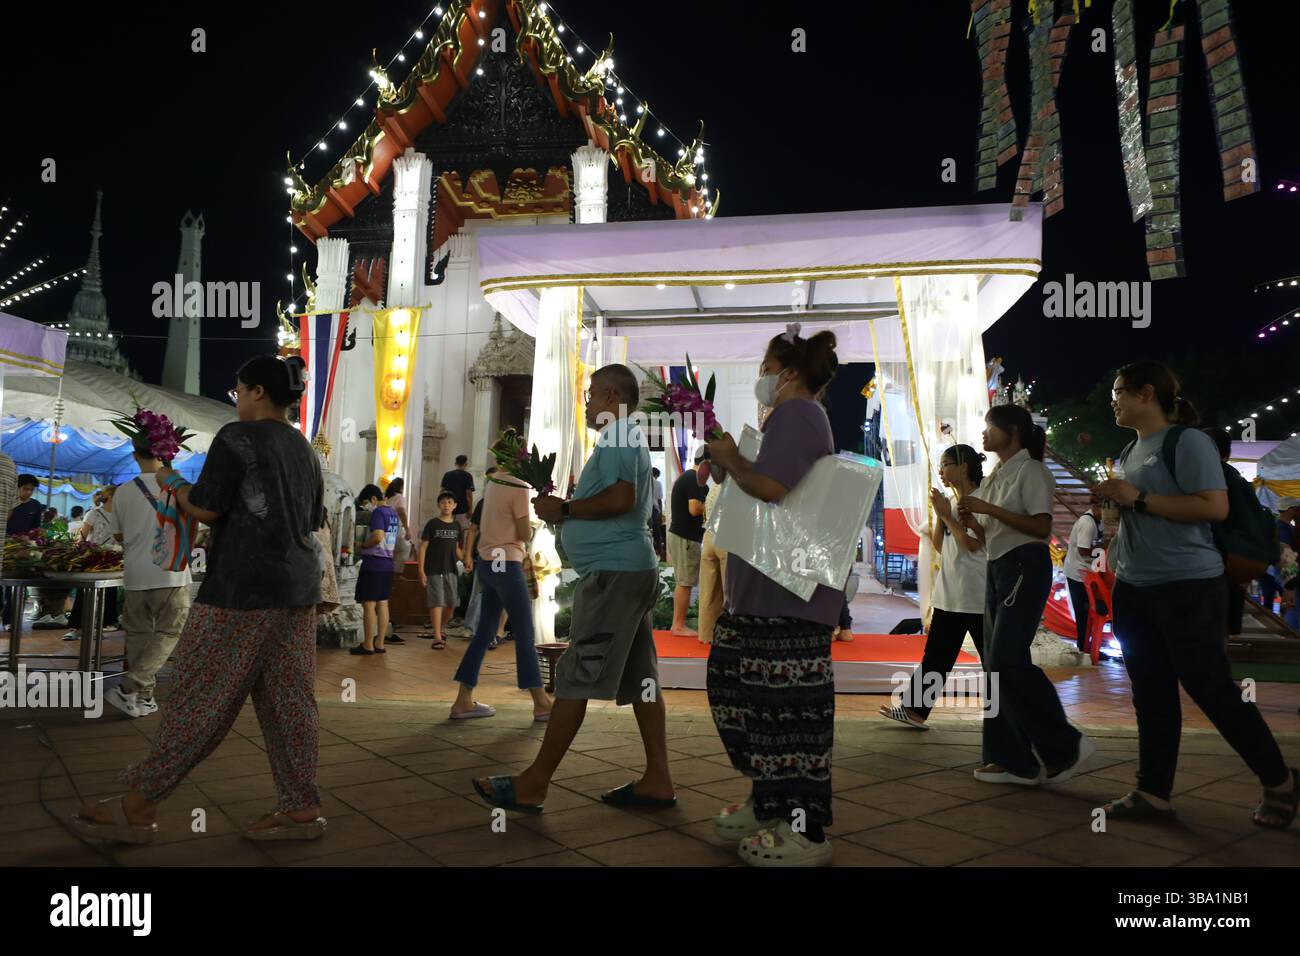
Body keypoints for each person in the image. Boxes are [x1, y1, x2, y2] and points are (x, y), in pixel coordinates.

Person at [72, 353, 326, 843]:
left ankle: (139, 802)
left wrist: (169, 478)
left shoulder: (237, 437)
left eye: (237, 391)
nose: (236, 400)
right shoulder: (302, 446)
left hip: (240, 590)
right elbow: (312, 520)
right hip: (297, 589)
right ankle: (302, 807)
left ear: (255, 392)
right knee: (291, 702)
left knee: (201, 697)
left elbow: (205, 508)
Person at [1094, 361, 1297, 828]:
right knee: (1150, 692)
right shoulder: (1132, 449)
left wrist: (1137, 499)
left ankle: (1279, 779)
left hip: (1188, 584)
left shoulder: (1187, 442)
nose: (1114, 400)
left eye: (1120, 391)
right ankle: (1153, 791)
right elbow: (1142, 509)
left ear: (1147, 394)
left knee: (1212, 690)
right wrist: (1119, 508)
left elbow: (1213, 506)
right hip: (1136, 584)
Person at [472, 363, 668, 815]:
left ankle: (533, 783)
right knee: (641, 677)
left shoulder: (619, 434)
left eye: (592, 394)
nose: (586, 403)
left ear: (612, 396)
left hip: (615, 573)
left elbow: (620, 499)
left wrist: (568, 510)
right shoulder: (622, 437)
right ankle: (658, 778)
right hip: (628, 569)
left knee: (577, 673)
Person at [703, 324, 841, 867]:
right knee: (753, 706)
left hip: (789, 597)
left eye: (765, 367)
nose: (760, 376)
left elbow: (770, 486)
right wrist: (732, 459)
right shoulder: (788, 416)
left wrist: (733, 459)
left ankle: (806, 831)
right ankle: (768, 804)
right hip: (766, 593)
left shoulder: (798, 413)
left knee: (791, 720)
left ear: (788, 373)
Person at [957, 403, 1093, 787]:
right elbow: (988, 537)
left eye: (989, 427)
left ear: (1013, 428)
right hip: (998, 565)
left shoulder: (1031, 470)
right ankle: (1010, 758)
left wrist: (987, 508)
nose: (983, 434)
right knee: (995, 665)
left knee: (1006, 659)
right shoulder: (999, 474)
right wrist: (972, 519)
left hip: (1023, 564)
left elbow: (1039, 527)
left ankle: (1065, 746)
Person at [882, 444, 987, 730]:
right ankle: (915, 711)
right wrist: (941, 514)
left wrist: (947, 516)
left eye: (945, 465)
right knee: (937, 657)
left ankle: (1015, 716)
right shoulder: (953, 502)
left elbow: (974, 545)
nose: (940, 471)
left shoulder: (982, 500)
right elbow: (943, 547)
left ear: (963, 467)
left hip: (976, 594)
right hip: (950, 594)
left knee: (993, 661)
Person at [449, 465, 550, 720]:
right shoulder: (518, 485)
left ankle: (463, 699)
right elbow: (523, 532)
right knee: (525, 631)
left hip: (488, 561)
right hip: (507, 560)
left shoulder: (493, 483)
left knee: (484, 631)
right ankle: (540, 702)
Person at [102, 440, 194, 718]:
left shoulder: (123, 491)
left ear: (135, 454)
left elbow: (118, 535)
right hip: (171, 573)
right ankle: (132, 687)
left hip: (135, 573)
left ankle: (141, 698)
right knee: (169, 632)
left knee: (140, 634)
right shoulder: (179, 485)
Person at [62, 486, 121, 639]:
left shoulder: (121, 515)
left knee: (109, 592)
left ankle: (102, 626)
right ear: (111, 497)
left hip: (112, 559)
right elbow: (82, 537)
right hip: (93, 558)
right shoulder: (93, 513)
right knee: (85, 592)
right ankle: (77, 627)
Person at [460, 467, 506, 642]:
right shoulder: (483, 503)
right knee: (480, 591)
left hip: (502, 554)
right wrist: (467, 555)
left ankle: (493, 631)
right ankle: (474, 628)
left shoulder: (508, 501)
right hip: (486, 552)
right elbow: (472, 530)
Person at [351, 483, 399, 655]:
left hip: (374, 563)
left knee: (369, 604)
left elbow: (378, 537)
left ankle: (368, 644)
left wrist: (363, 544)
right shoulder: (393, 513)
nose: (367, 508)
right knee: (383, 603)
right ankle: (380, 643)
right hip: (388, 563)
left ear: (373, 499)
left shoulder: (378, 512)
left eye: (366, 503)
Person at [667, 450, 710, 636]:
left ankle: (678, 624)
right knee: (685, 581)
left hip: (686, 536)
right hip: (685, 537)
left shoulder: (694, 479)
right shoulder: (692, 478)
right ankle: (678, 625)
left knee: (686, 580)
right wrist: (715, 505)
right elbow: (694, 508)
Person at [419, 491, 463, 650]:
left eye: (450, 502)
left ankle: (441, 628)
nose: (446, 505)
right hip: (434, 568)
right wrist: (421, 570)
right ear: (439, 505)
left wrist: (467, 559)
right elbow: (423, 547)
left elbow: (457, 548)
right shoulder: (432, 524)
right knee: (437, 601)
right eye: (443, 502)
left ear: (455, 505)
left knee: (451, 602)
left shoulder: (457, 526)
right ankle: (437, 636)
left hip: (451, 568)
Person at [1064, 498, 1103, 654]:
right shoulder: (1088, 523)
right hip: (1077, 573)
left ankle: (1087, 646)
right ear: (1096, 506)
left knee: (1086, 613)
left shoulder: (1097, 521)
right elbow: (1083, 550)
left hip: (1083, 571)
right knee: (1083, 613)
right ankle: (1083, 647)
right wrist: (1104, 546)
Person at [697, 475, 728, 644]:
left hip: (708, 536)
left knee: (708, 591)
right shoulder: (736, 485)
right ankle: (731, 636)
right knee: (730, 592)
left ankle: (706, 634)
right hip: (727, 537)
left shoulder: (714, 486)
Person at [381, 478, 411, 644]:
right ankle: (398, 573)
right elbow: (402, 512)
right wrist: (407, 528)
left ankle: (392, 570)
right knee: (406, 546)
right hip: (396, 527)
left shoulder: (388, 498)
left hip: (387, 529)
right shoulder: (399, 497)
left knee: (391, 550)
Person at [440, 454, 476, 532]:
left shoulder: (448, 475)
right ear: (466, 464)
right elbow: (468, 494)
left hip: (449, 507)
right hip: (463, 509)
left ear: (455, 463)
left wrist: (441, 506)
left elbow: (442, 492)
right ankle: (459, 545)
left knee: (448, 530)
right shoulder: (468, 476)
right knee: (461, 531)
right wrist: (470, 509)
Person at [650, 466, 667, 560]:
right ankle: (661, 554)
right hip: (655, 510)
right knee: (658, 533)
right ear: (656, 475)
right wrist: (660, 513)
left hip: (647, 510)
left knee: (648, 533)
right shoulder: (658, 483)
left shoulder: (644, 483)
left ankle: (651, 555)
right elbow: (659, 500)